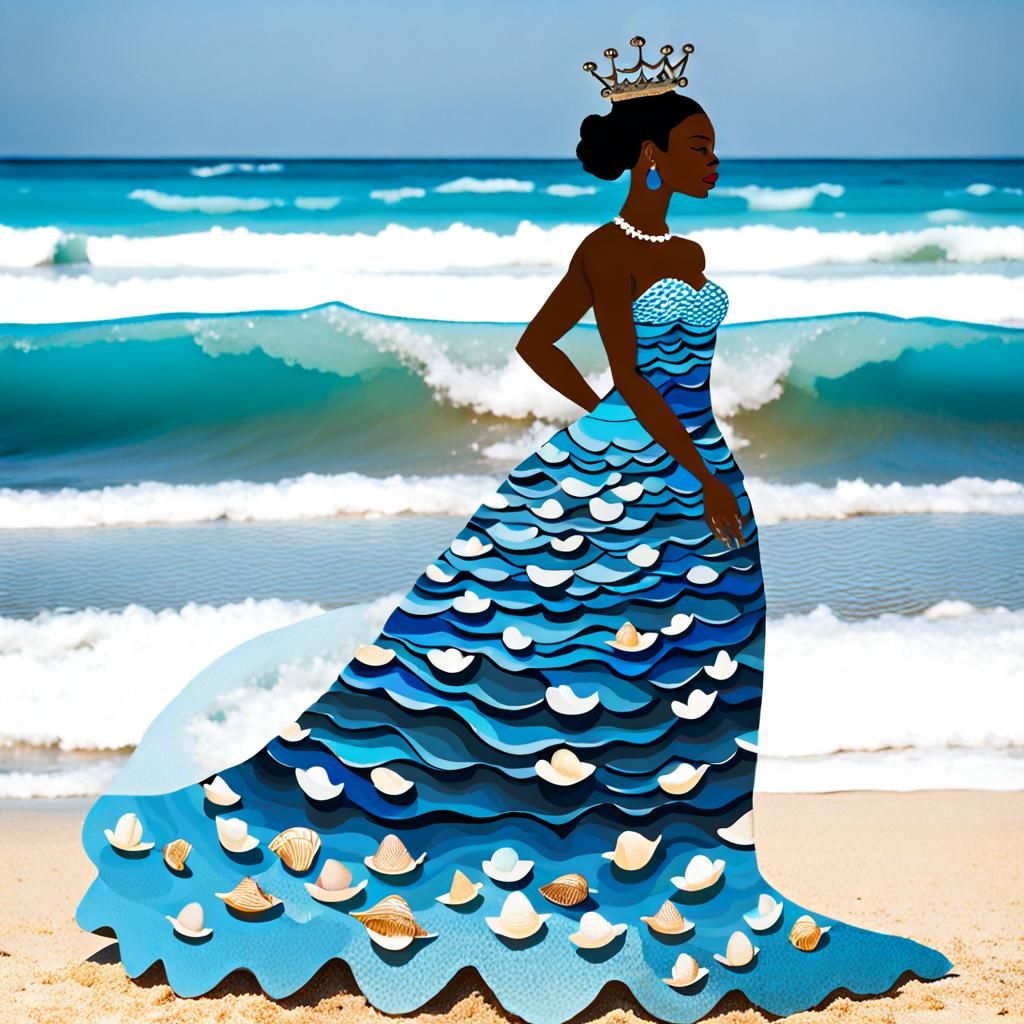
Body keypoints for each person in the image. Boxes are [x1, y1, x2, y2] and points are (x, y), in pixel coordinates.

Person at [77, 35, 953, 1024]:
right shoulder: (604, 249)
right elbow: (587, 363)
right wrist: (648, 442)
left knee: (669, 669)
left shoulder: (692, 254)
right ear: (652, 156)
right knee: (553, 666)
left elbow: (575, 353)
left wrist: (649, 439)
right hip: (658, 463)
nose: (717, 161)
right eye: (700, 145)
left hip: (677, 456)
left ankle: (643, 846)